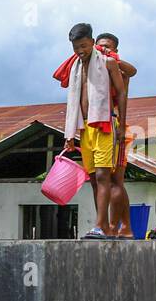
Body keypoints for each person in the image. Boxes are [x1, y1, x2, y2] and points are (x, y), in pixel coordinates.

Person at [57, 23, 127, 239]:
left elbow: (122, 92)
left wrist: (122, 125)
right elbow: (75, 100)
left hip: (105, 123)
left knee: (104, 175)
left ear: (92, 41)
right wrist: (70, 134)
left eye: (84, 46)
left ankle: (98, 226)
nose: (80, 51)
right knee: (94, 179)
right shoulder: (75, 66)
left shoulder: (107, 62)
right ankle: (103, 227)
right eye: (76, 47)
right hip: (84, 128)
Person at [95, 32, 138, 238]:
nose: (104, 50)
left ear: (116, 51)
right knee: (106, 181)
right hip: (98, 128)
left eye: (109, 47)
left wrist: (110, 56)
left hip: (116, 126)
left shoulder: (119, 69)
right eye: (101, 46)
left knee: (115, 181)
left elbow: (133, 70)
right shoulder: (91, 68)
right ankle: (125, 227)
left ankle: (114, 226)